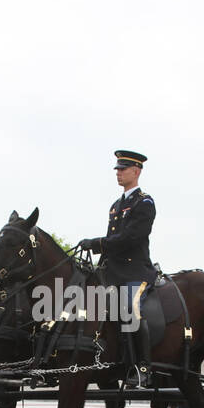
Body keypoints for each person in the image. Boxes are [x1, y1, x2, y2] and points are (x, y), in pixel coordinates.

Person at [76, 150, 157, 387]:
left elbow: (130, 238)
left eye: (123, 169)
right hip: (112, 271)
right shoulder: (115, 205)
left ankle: (143, 368)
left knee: (130, 309)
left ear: (136, 171)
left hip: (135, 271)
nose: (119, 173)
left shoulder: (145, 202)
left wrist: (97, 243)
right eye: (117, 169)